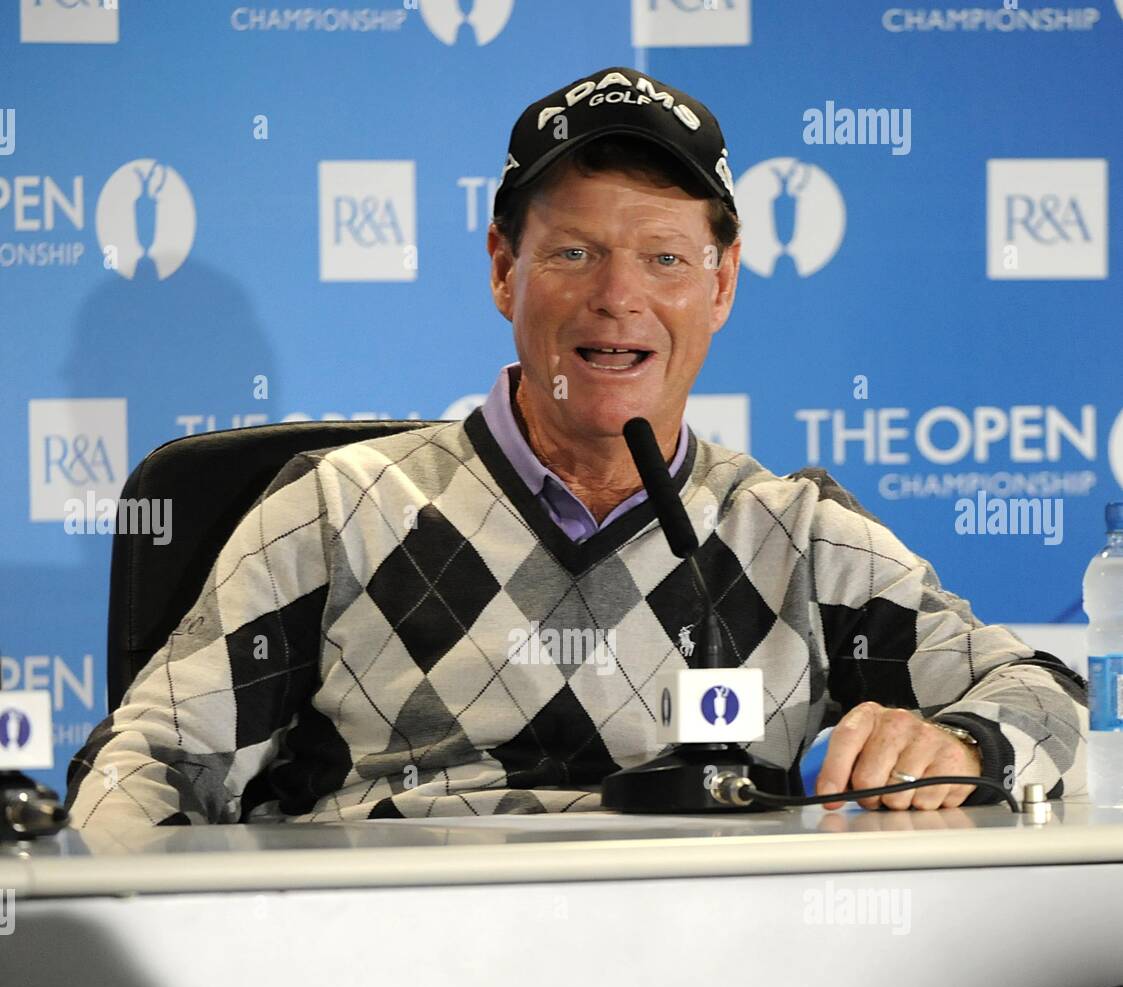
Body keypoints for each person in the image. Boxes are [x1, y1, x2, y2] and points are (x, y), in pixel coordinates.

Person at [64, 67, 1086, 827]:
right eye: (573, 252)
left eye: (663, 258)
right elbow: (142, 762)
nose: (617, 298)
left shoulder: (796, 534)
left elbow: (1043, 692)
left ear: (720, 287)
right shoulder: (339, 511)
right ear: (504, 269)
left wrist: (958, 739)